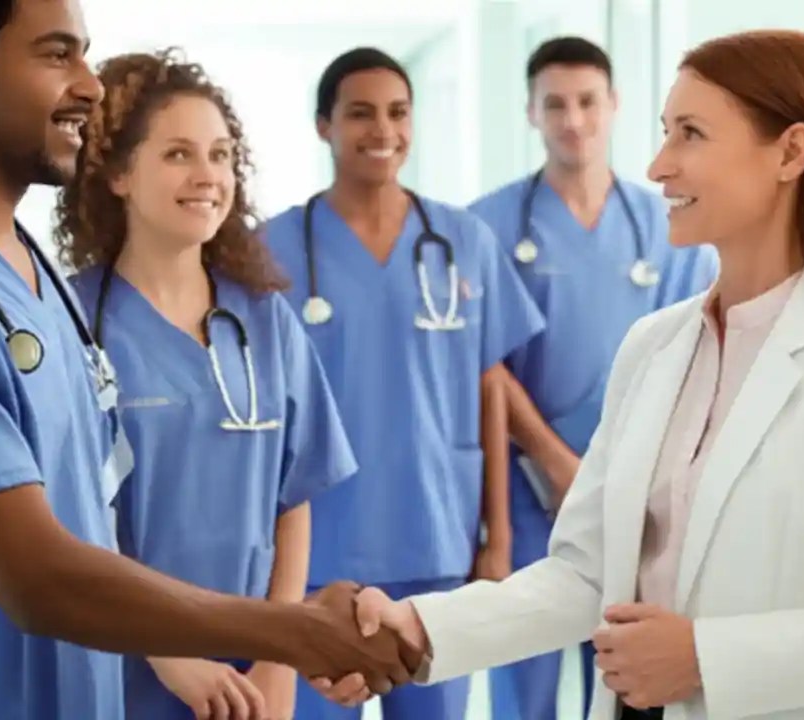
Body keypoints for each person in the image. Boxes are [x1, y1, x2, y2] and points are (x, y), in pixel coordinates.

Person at [316, 29, 804, 720]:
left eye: (690, 134)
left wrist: (703, 658)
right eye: (664, 132)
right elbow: (586, 576)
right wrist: (420, 628)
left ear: (791, 151)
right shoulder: (654, 347)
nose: (659, 164)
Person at [0, 3, 417, 719]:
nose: (92, 86)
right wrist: (295, 632)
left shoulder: (40, 284)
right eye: (56, 55)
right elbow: (39, 579)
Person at [53, 48, 359, 720]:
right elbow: (64, 523)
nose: (207, 175)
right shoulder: (68, 323)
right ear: (118, 174)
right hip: (121, 667)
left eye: (220, 154)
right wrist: (167, 651)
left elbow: (292, 497)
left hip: (254, 674)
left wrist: (281, 659)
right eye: (178, 155)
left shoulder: (265, 320)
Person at [260, 47, 545, 720]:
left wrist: (497, 540)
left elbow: (489, 389)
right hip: (317, 561)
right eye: (360, 113)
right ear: (323, 126)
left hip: (436, 545)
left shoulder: (462, 240)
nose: (381, 130)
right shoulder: (269, 251)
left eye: (397, 112)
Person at [467, 36, 717, 720]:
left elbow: (701, 348)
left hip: (645, 492)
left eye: (586, 101)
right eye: (555, 104)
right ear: (531, 113)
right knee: (525, 684)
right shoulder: (488, 226)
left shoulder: (668, 222)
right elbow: (484, 361)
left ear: (614, 106)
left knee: (629, 680)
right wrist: (555, 461)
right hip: (528, 491)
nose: (572, 119)